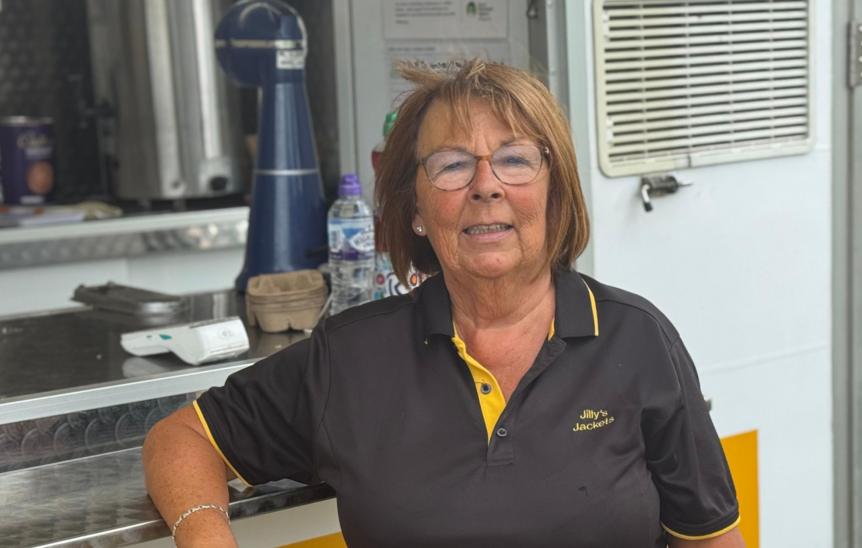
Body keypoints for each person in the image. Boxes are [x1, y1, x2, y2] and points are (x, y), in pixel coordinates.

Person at [143, 59, 745, 548]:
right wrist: (206, 537)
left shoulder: (636, 339)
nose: (486, 185)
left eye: (514, 159)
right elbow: (185, 438)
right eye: (453, 165)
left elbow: (711, 539)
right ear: (417, 211)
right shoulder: (352, 356)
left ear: (554, 195)